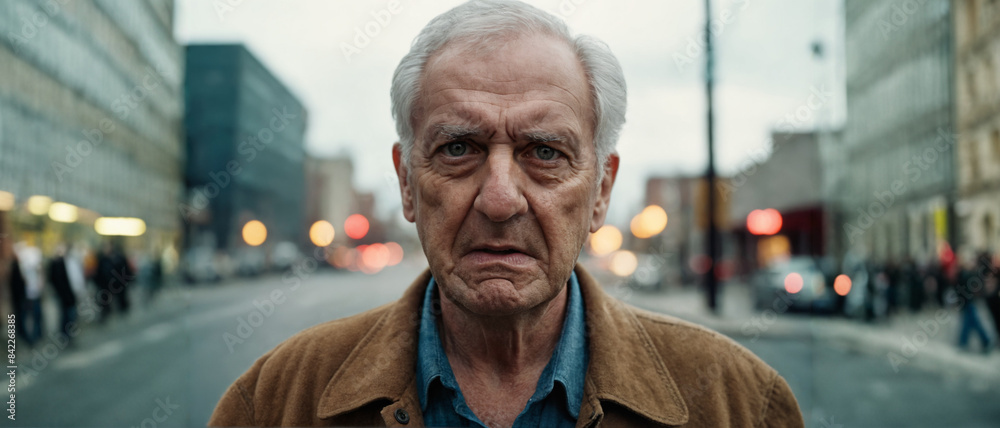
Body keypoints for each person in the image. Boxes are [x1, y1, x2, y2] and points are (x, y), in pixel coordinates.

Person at [209, 1, 803, 426]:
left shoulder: (741, 405)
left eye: (545, 152)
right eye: (458, 149)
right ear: (406, 184)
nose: (499, 199)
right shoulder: (276, 402)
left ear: (600, 192)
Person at [47, 244, 79, 343]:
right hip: (63, 294)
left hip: (69, 294)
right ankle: (65, 335)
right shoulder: (56, 264)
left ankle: (67, 335)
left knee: (69, 314)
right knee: (66, 315)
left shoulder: (70, 262)